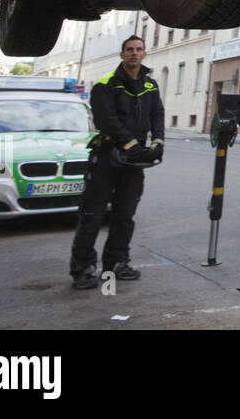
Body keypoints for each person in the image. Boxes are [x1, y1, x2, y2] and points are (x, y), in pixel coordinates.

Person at [69, 35, 164, 289]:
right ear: (122, 55)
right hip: (106, 158)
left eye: (139, 49)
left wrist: (158, 142)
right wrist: (131, 145)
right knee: (92, 215)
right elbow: (106, 119)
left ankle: (117, 263)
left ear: (144, 54)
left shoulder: (150, 85)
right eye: (129, 50)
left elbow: (157, 115)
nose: (134, 53)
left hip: (133, 163)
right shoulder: (105, 84)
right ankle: (82, 269)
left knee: (125, 215)